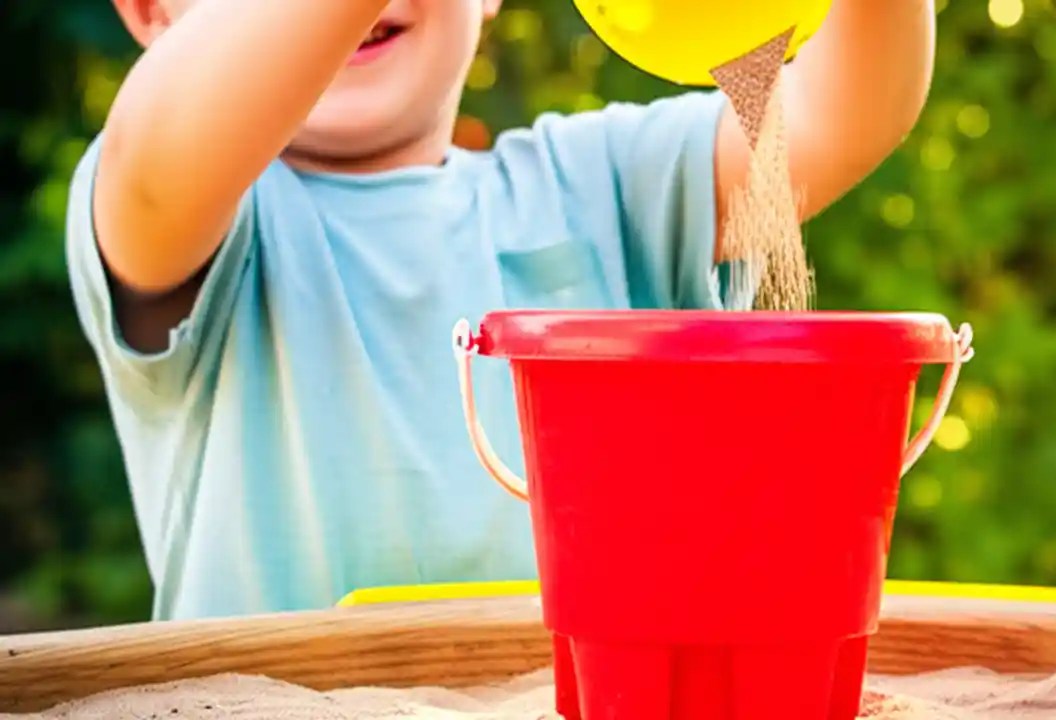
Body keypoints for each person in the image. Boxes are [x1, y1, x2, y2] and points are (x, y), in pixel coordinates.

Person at [65, 0, 936, 621]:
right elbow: (158, 149)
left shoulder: (598, 187)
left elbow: (839, 116)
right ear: (151, 16)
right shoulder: (190, 219)